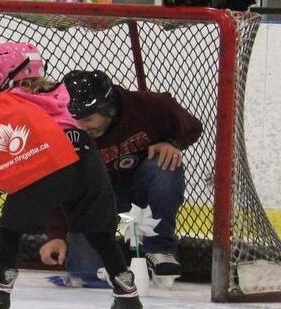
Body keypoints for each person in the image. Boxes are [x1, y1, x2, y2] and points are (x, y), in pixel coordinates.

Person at [0, 42, 143, 309]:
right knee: (99, 231)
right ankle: (128, 297)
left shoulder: (6, 102)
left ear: (4, 73)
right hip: (86, 159)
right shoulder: (61, 91)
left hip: (50, 161)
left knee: (11, 228)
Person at [39, 69, 202, 284]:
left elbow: (193, 126)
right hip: (95, 201)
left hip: (139, 190)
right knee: (87, 274)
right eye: (74, 118)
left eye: (87, 118)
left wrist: (173, 143)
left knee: (164, 167)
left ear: (108, 108)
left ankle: (159, 249)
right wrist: (57, 235)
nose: (80, 126)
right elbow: (58, 185)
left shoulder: (150, 106)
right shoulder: (64, 129)